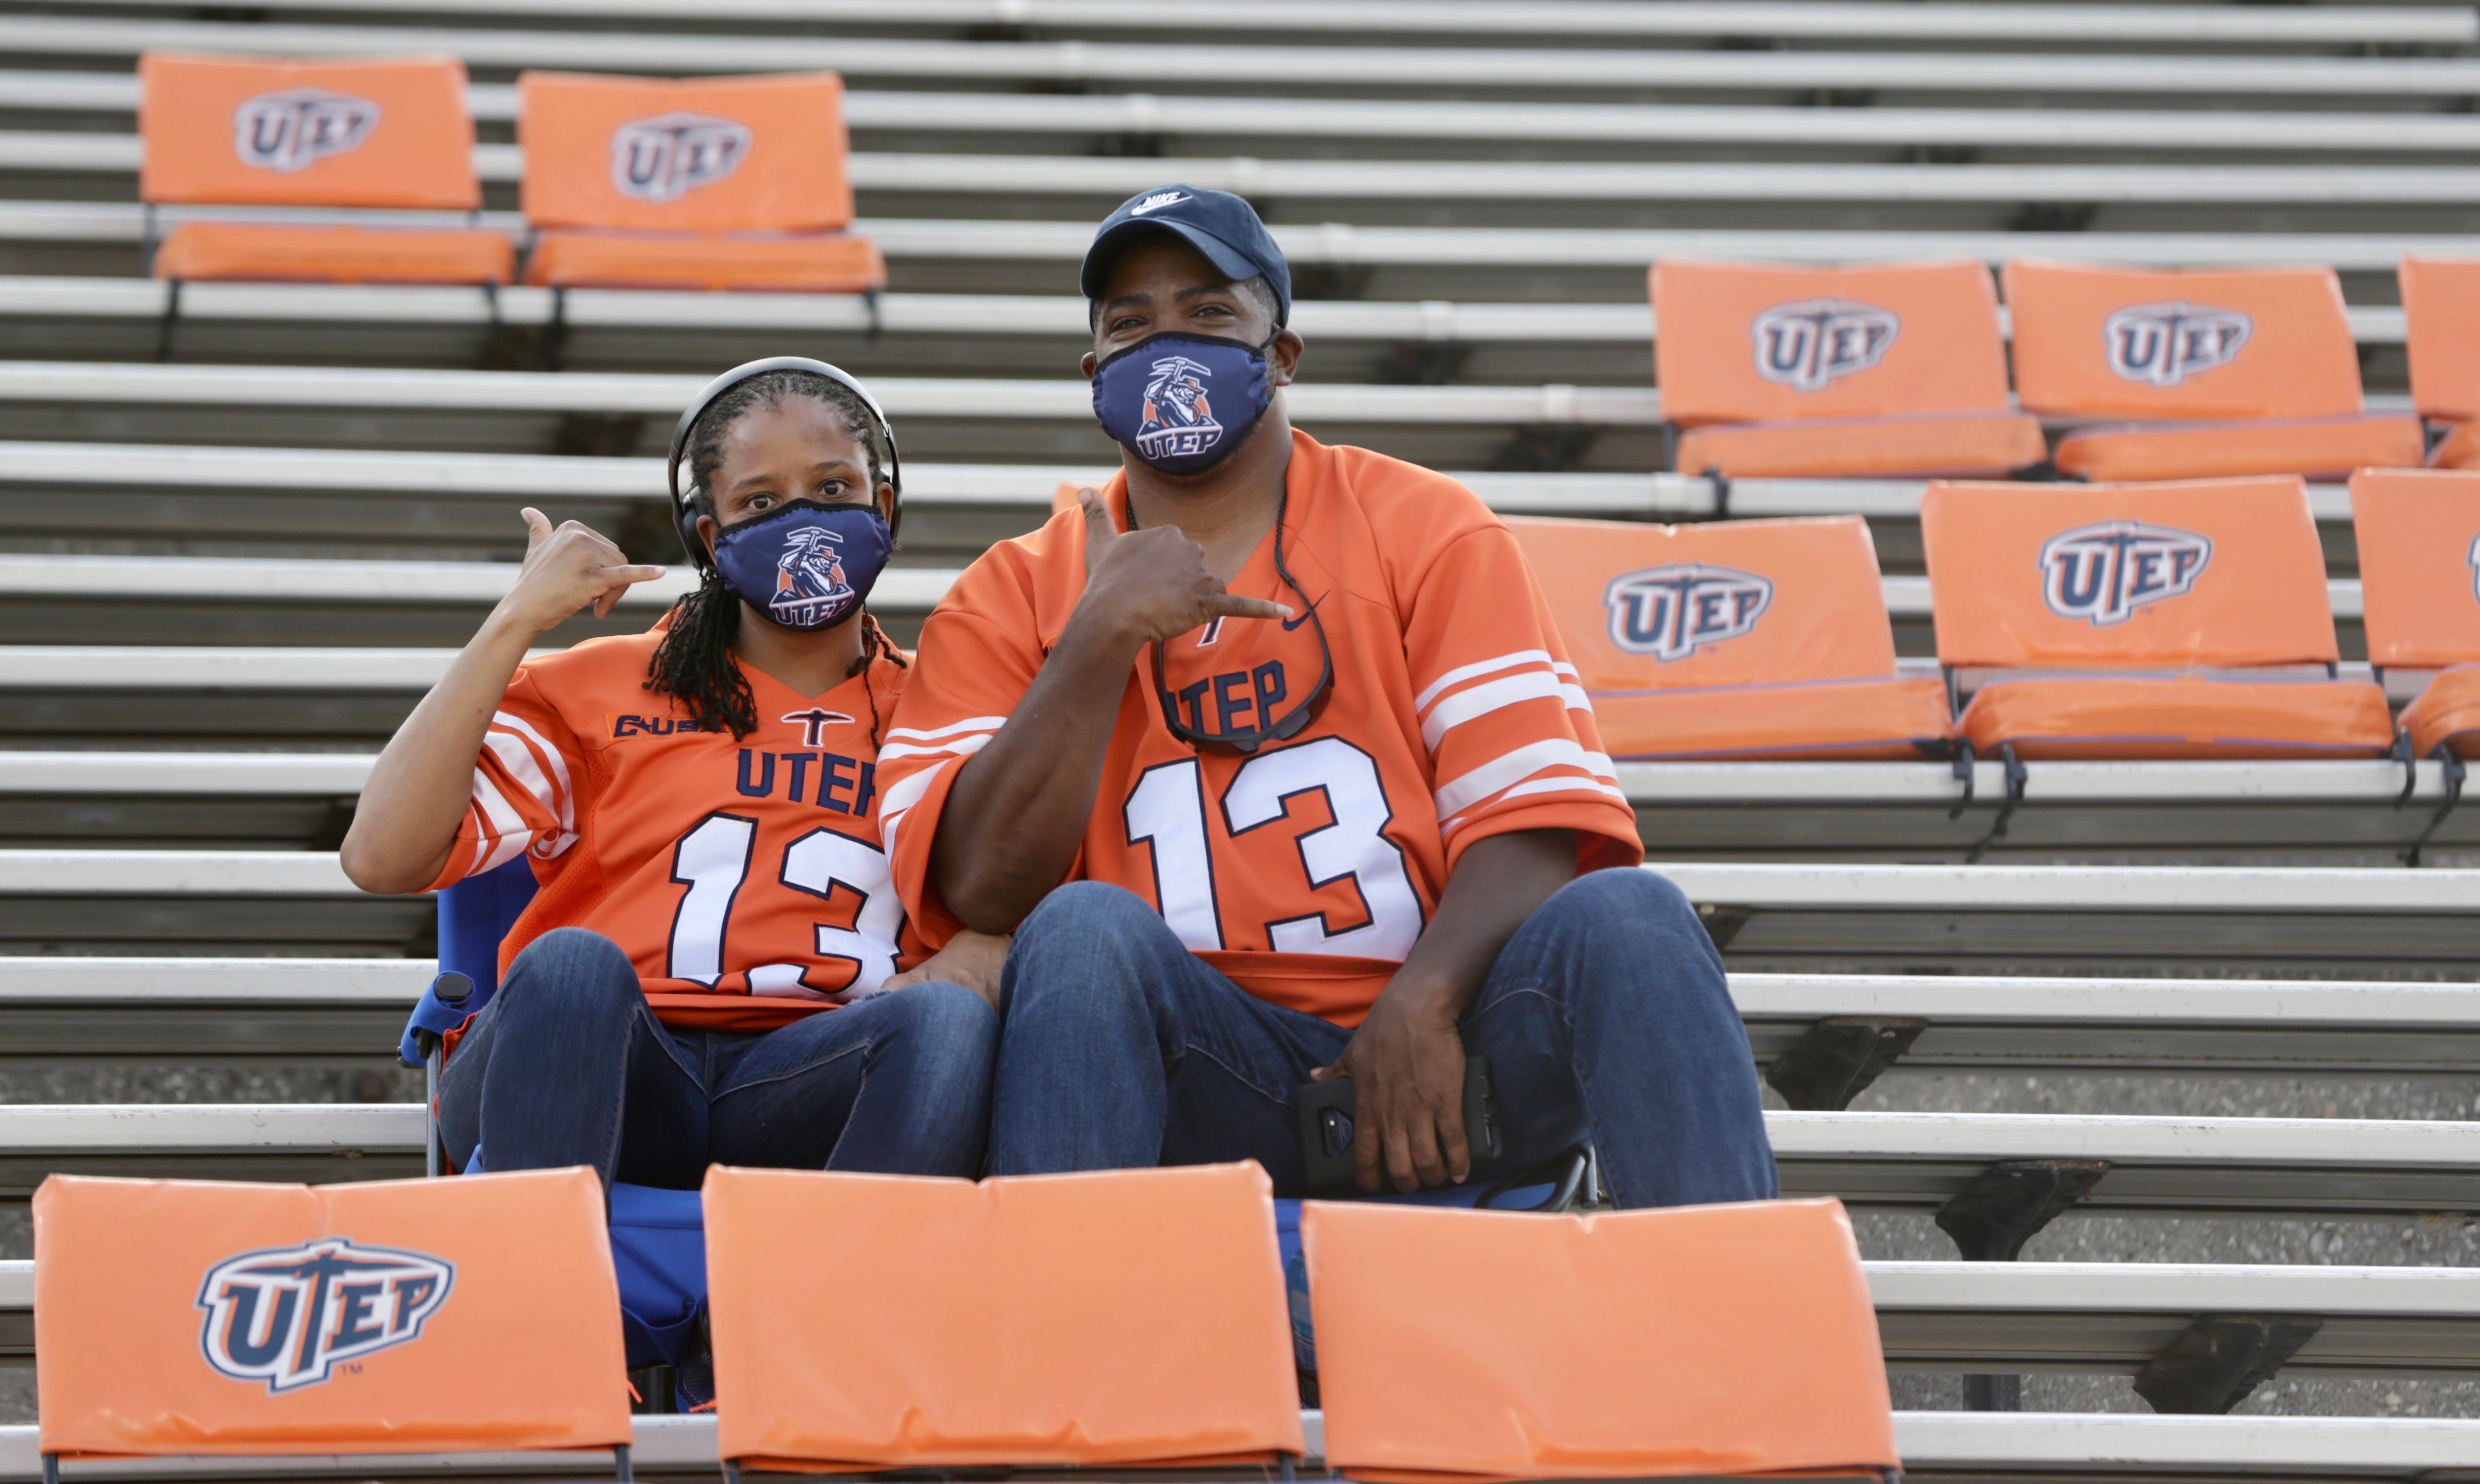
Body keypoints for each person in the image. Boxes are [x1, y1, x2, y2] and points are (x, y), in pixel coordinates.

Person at [876, 186, 1775, 1207]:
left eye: (1209, 313)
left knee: (1633, 917)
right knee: (1084, 929)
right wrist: (1094, 639)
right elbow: (983, 893)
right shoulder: (1007, 593)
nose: (1169, 344)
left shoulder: (1424, 525)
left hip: (1444, 1062)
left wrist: (1421, 1004)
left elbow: (1533, 820)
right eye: (1132, 324)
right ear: (1095, 378)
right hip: (1189, 1076)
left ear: (1283, 354)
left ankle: (1732, 1340)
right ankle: (1069, 1342)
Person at [343, 358, 1005, 1201]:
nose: (803, 519)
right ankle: (536, 1310)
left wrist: (987, 949)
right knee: (571, 966)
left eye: (833, 488)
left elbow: (1029, 887)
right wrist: (514, 621)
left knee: (946, 1021)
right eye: (760, 502)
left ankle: (835, 1319)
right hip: (603, 1060)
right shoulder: (599, 684)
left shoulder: (943, 707)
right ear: (711, 536)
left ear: (884, 506)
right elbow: (380, 857)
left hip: (812, 1076)